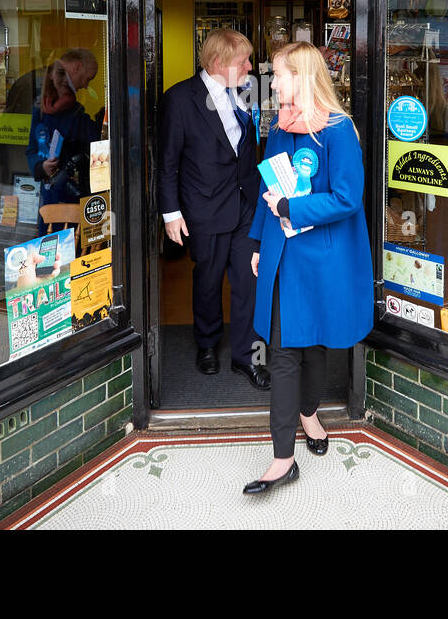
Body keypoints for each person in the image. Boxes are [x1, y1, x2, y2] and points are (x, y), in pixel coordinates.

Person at [243, 41, 373, 494]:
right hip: (283, 256)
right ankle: (282, 459)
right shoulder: (278, 127)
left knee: (315, 346)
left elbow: (346, 198)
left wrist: (290, 209)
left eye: (278, 74)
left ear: (301, 76)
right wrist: (259, 241)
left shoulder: (339, 130)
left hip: (321, 261)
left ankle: (309, 412)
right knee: (282, 353)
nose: (272, 82)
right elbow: (269, 185)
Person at [158, 28, 270, 390]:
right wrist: (170, 213)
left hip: (246, 204)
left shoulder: (248, 93)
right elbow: (167, 162)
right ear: (219, 63)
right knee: (207, 281)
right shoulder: (179, 98)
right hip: (203, 207)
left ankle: (247, 357)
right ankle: (206, 344)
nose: (251, 66)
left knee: (248, 282)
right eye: (244, 61)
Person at [26, 49, 103, 233]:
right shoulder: (45, 112)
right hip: (57, 198)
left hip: (69, 196)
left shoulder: (70, 111)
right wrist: (41, 166)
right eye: (88, 78)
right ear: (77, 67)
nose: (85, 86)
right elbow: (32, 150)